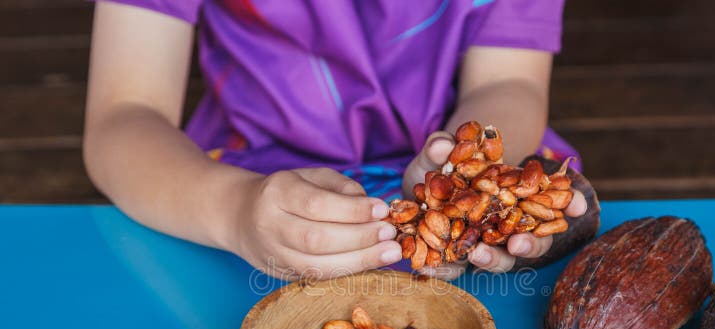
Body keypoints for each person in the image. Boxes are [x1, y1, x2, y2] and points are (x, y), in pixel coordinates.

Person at [83, 0, 588, 281]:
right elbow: (123, 117)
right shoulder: (231, 204)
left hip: (451, 189)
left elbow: (508, 84)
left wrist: (463, 172)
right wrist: (233, 211)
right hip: (222, 188)